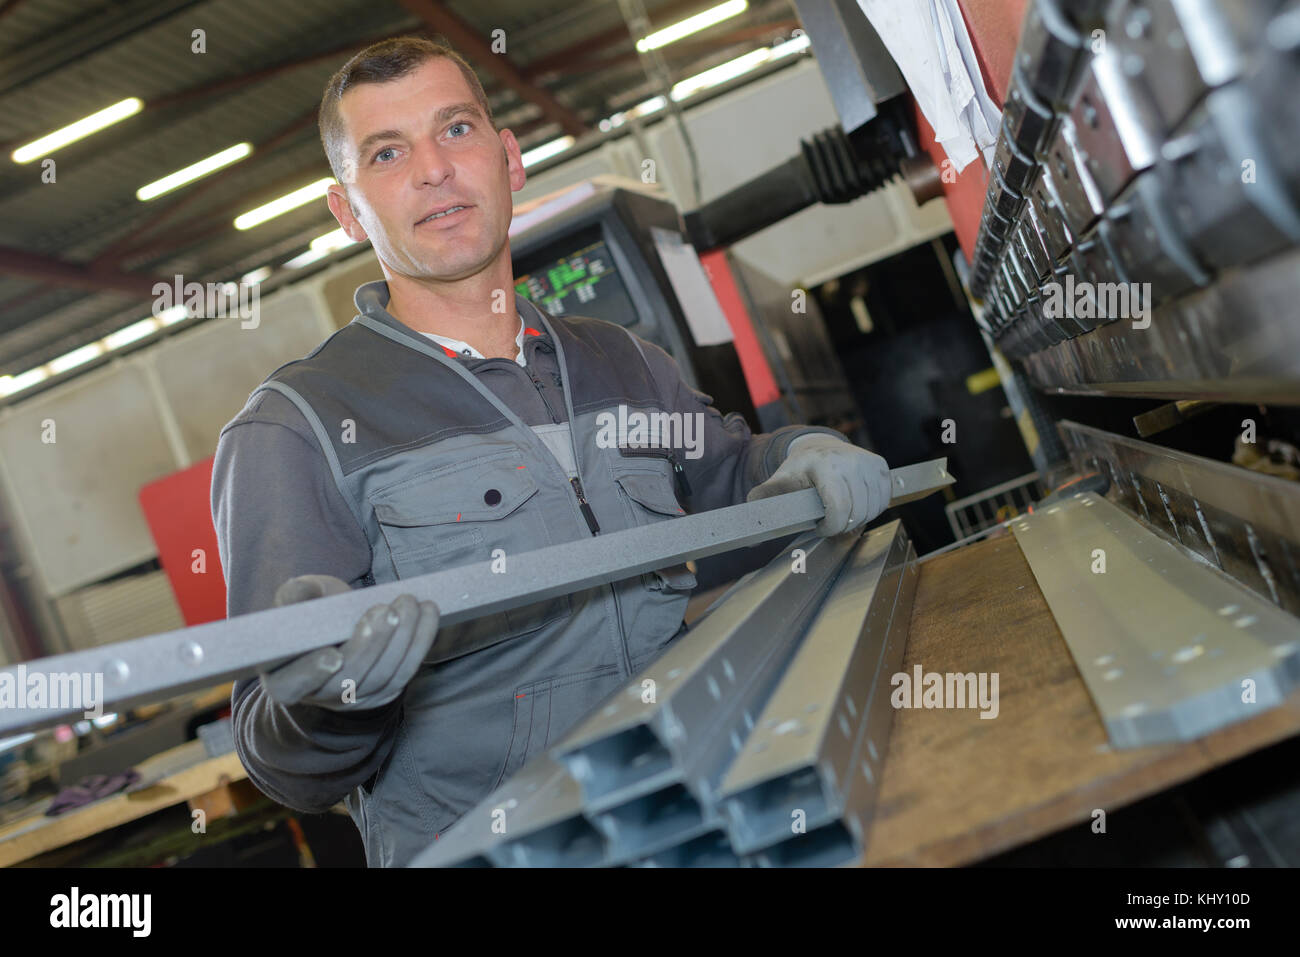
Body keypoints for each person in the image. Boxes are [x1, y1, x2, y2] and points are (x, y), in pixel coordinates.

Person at [211, 36, 892, 868]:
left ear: (510, 159)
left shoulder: (621, 360)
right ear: (347, 211)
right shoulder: (297, 426)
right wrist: (336, 697)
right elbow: (278, 761)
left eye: (455, 130)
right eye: (388, 153)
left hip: (696, 810)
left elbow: (731, 479)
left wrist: (805, 452)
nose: (433, 169)